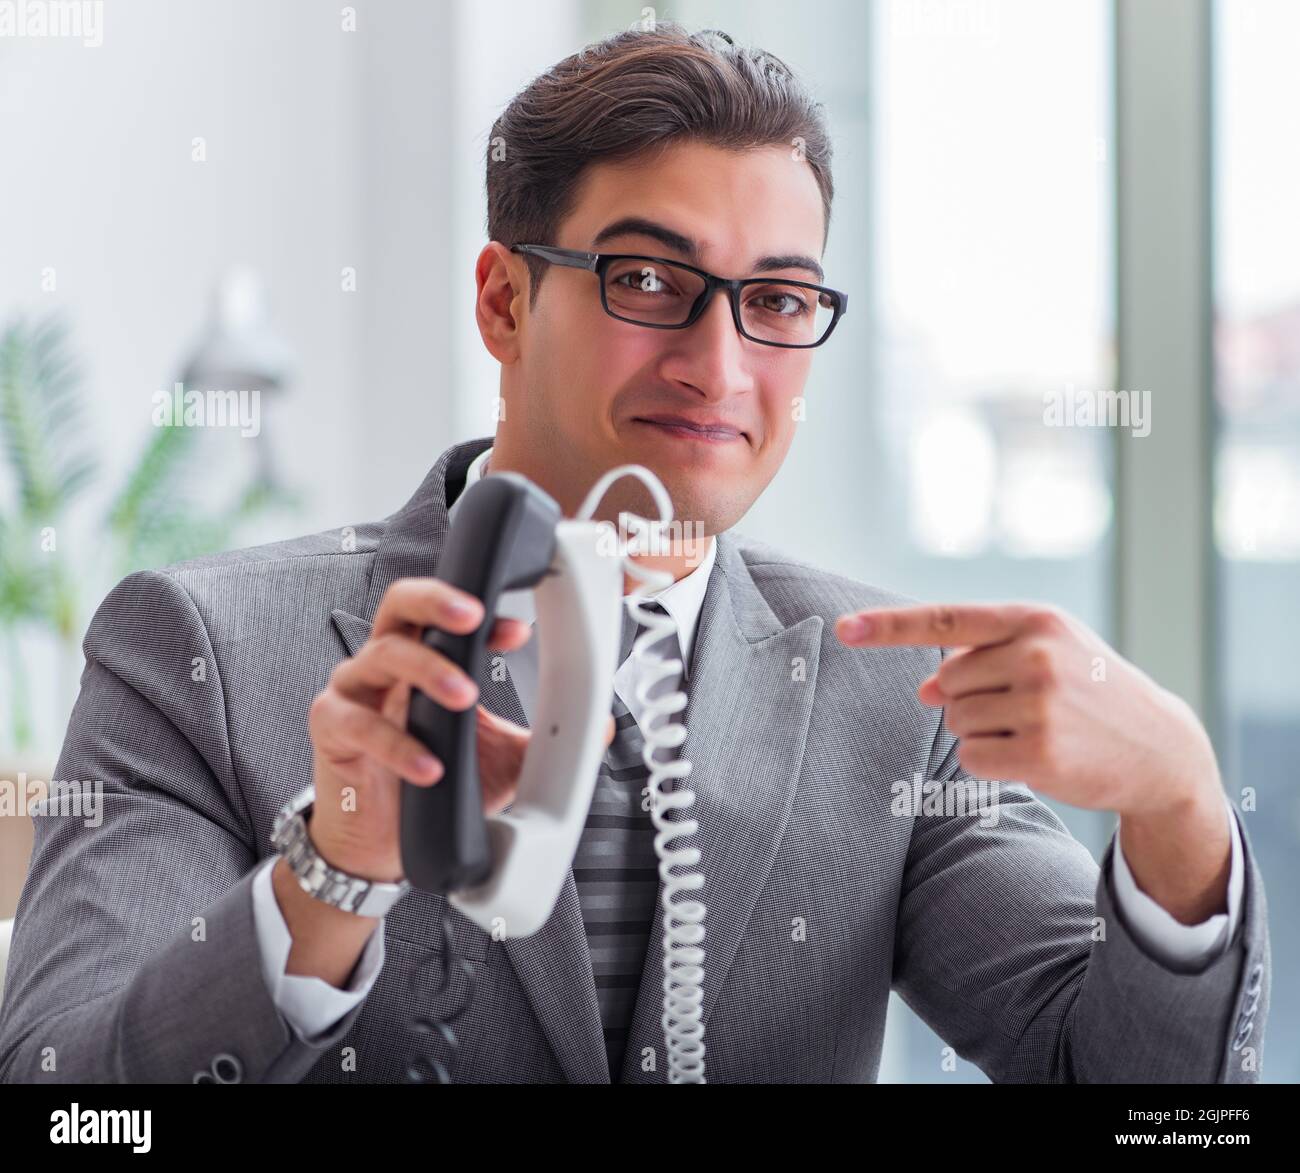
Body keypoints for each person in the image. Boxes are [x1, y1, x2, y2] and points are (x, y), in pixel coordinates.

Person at [0, 22, 1268, 1084]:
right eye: (649, 281)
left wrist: (1178, 809)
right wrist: (331, 878)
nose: (718, 367)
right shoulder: (203, 649)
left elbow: (1133, 1092)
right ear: (504, 302)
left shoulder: (892, 695)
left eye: (775, 301)